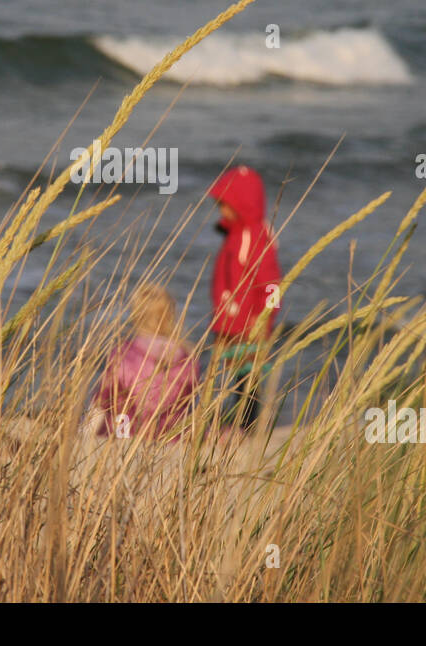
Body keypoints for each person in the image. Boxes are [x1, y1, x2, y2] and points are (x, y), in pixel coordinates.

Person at [207, 165, 281, 429]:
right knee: (236, 374)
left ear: (243, 204)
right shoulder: (235, 234)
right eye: (221, 205)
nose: (222, 211)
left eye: (226, 205)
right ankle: (238, 419)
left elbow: (271, 285)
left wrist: (265, 318)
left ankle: (247, 424)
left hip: (249, 325)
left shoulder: (254, 237)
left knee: (248, 379)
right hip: (230, 322)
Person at [84, 284, 200, 442]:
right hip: (171, 439)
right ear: (170, 315)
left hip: (123, 436)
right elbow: (190, 406)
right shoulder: (187, 359)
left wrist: (85, 436)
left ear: (136, 315)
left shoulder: (124, 354)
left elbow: (102, 401)